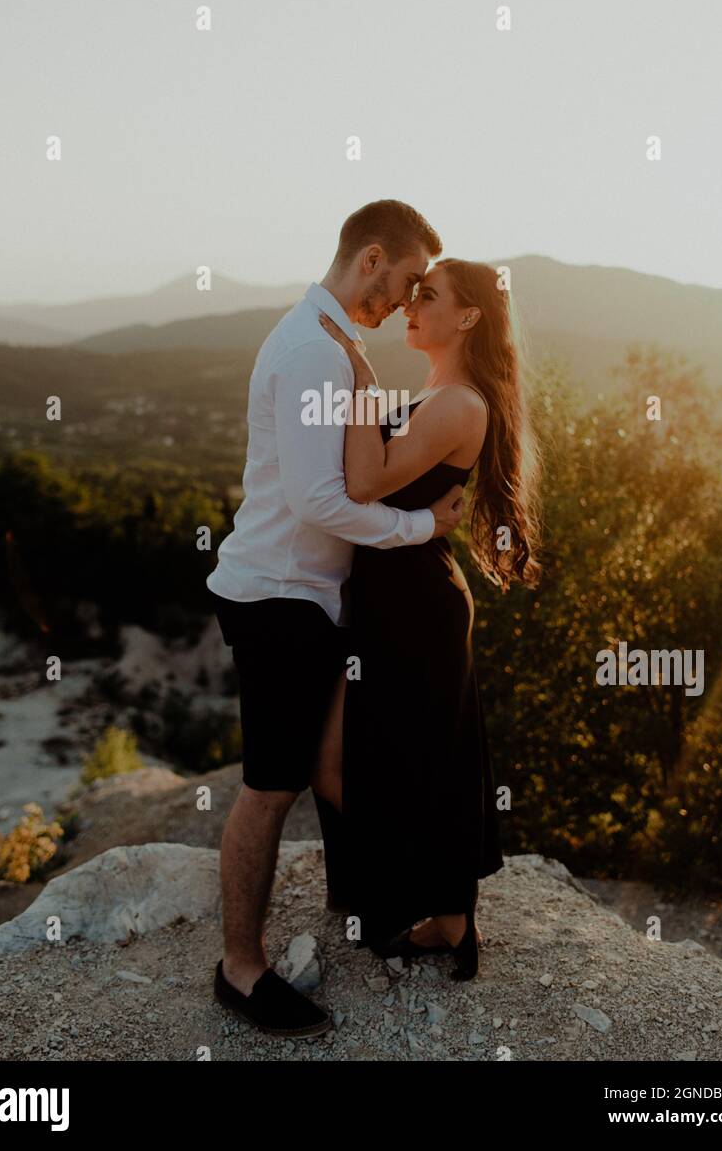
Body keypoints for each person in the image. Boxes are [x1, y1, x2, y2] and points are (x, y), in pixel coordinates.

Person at [207, 200, 465, 1037]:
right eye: (403, 281)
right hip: (281, 596)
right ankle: (240, 971)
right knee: (268, 790)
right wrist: (422, 528)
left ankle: (391, 909)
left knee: (329, 766)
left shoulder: (329, 344)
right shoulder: (314, 354)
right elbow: (323, 501)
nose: (404, 298)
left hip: (308, 596)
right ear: (370, 259)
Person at [313, 258, 541, 980]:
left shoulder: (458, 404)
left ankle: (439, 917)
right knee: (367, 758)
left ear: (468, 317)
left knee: (392, 760)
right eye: (413, 295)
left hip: (414, 601)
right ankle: (436, 913)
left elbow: (364, 480)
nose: (411, 306)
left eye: (428, 297)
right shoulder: (443, 392)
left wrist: (356, 375)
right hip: (395, 591)